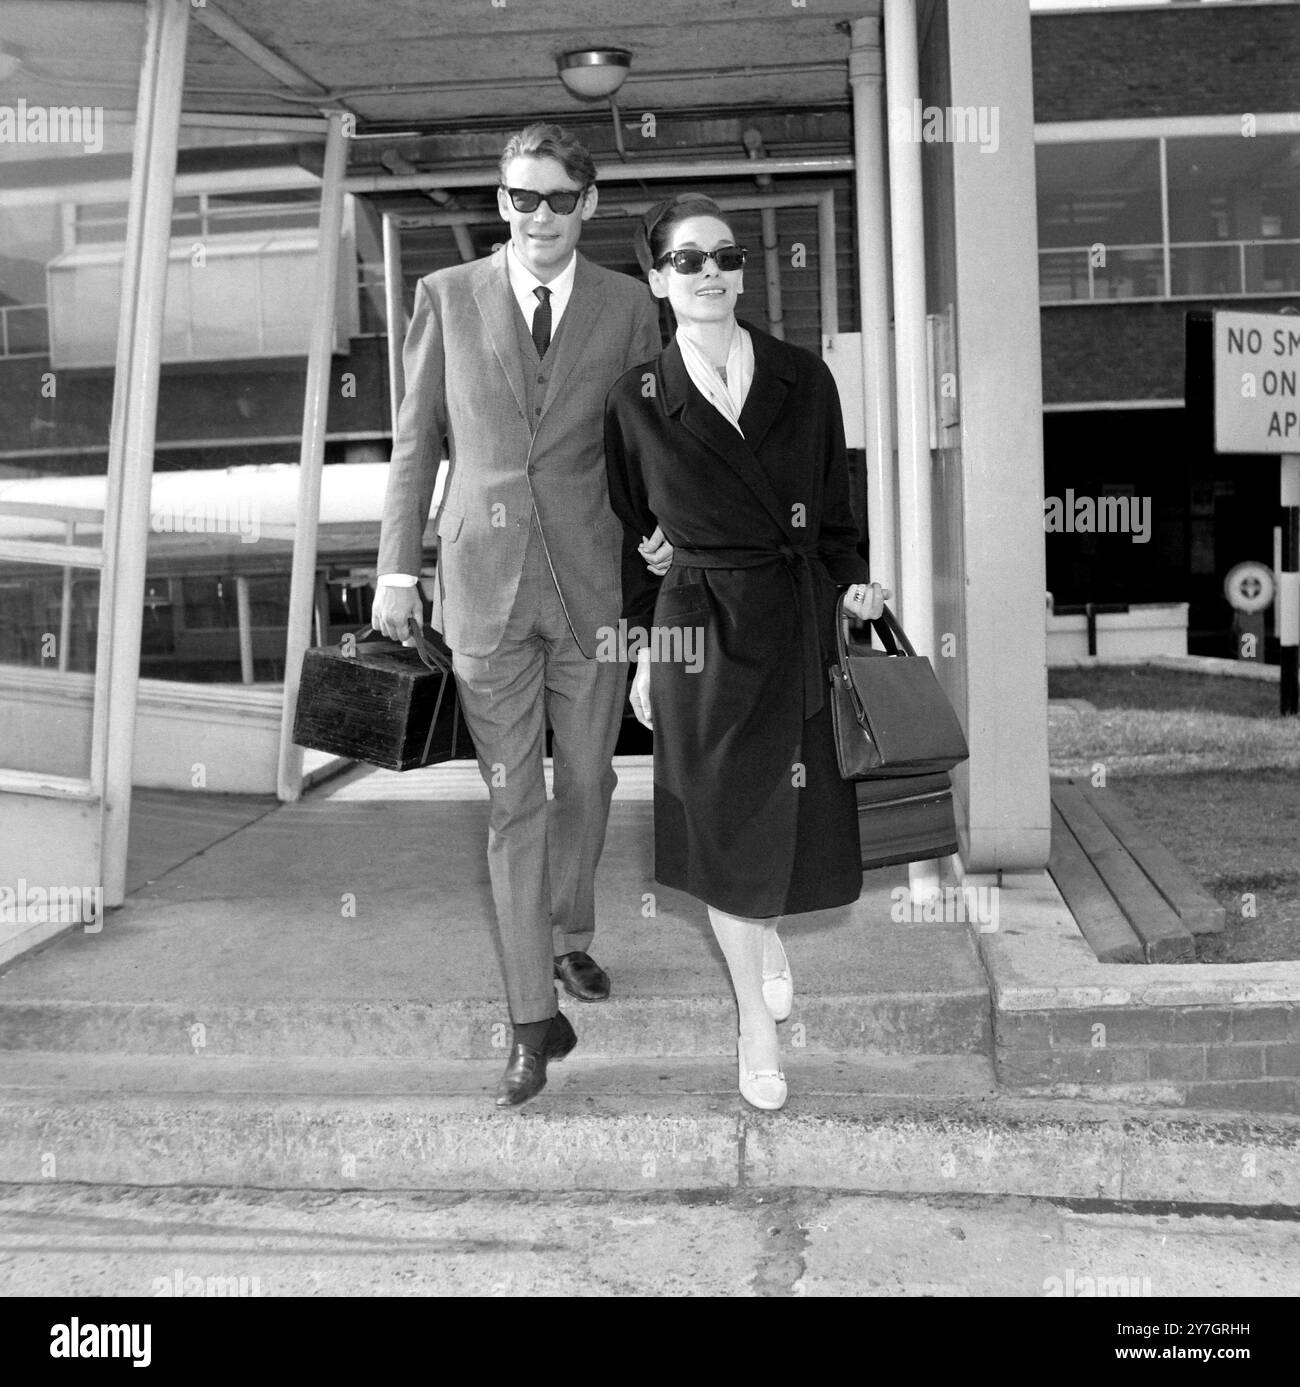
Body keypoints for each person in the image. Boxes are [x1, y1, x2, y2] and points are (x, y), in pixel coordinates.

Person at [373, 124, 664, 1108]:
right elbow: (415, 445)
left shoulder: (630, 307)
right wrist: (393, 571)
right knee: (513, 799)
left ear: (588, 203)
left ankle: (571, 930)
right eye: (518, 198)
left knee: (587, 775)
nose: (537, 216)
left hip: (595, 582)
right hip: (481, 585)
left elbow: (650, 445)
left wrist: (674, 541)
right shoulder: (444, 299)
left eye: (556, 198)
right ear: (500, 202)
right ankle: (531, 1020)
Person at [603, 195, 888, 1111]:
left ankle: (764, 940)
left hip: (796, 620)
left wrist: (854, 582)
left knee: (789, 816)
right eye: (687, 260)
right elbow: (631, 541)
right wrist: (644, 651)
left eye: (724, 256)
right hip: (699, 636)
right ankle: (754, 1025)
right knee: (725, 828)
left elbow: (837, 518)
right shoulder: (636, 400)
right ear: (657, 280)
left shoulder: (806, 378)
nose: (711, 272)